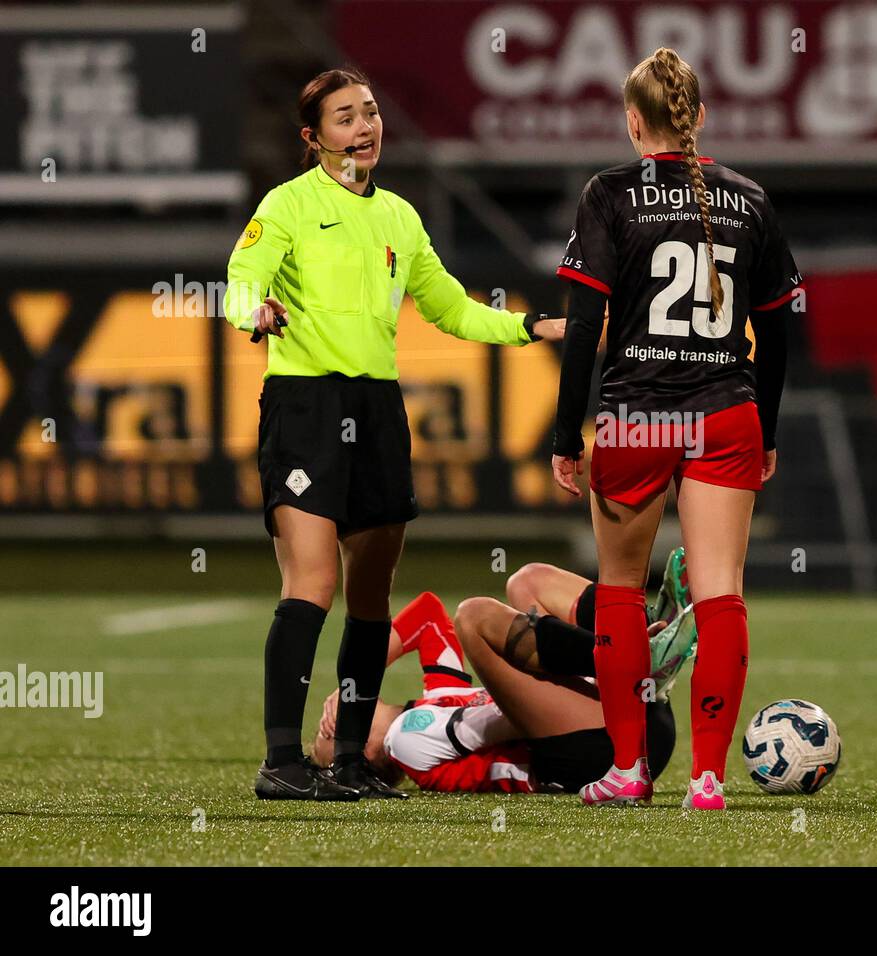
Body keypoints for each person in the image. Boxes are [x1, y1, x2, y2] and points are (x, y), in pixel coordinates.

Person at [223, 67, 564, 801]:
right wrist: (254, 310)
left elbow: (450, 308)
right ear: (313, 138)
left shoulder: (401, 219)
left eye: (370, 112)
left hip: (376, 413)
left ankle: (350, 761)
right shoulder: (285, 206)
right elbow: (241, 277)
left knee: (372, 597)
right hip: (305, 407)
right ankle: (283, 761)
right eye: (345, 118)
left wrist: (531, 326)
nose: (364, 127)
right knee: (311, 583)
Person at [550, 48, 800, 808]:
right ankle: (707, 780)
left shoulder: (609, 194)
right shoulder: (750, 198)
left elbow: (584, 324)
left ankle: (628, 770)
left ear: (633, 121)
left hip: (634, 417)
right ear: (700, 118)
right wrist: (770, 429)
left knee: (621, 589)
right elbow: (778, 329)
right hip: (729, 413)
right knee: (721, 591)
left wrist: (568, 436)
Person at [308, 552, 696, 794]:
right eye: (331, 733)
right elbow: (506, 722)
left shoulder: (435, 699)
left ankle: (643, 633)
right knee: (474, 616)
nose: (330, 717)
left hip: (617, 722)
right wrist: (581, 674)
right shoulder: (405, 741)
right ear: (367, 755)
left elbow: (426, 616)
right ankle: (626, 657)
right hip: (593, 754)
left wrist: (353, 682)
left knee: (526, 580)